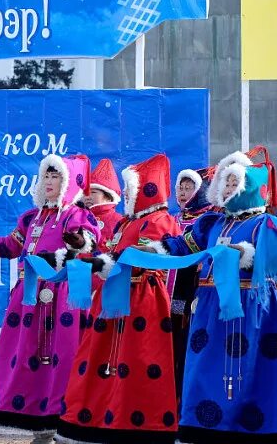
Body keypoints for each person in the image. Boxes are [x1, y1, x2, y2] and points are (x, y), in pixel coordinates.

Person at [0, 154, 100, 444]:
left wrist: (79, 243)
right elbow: (9, 245)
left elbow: (89, 242)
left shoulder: (76, 215)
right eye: (46, 176)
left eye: (55, 176)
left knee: (61, 359)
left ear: (67, 183)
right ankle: (41, 427)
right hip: (28, 298)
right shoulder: (31, 217)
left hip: (61, 298)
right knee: (27, 360)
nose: (49, 182)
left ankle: (63, 425)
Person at [56, 154, 181, 444]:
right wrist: (77, 256)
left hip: (142, 300)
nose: (126, 194)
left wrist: (98, 262)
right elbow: (108, 253)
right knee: (101, 358)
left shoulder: (161, 220)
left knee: (137, 360)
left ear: (146, 190)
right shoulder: (125, 224)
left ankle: (137, 425)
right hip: (112, 297)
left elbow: (139, 259)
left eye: (130, 189)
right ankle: (95, 422)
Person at [159, 155, 277, 443]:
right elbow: (183, 245)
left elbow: (270, 262)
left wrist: (244, 254)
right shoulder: (212, 223)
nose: (228, 189)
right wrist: (156, 249)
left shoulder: (266, 224)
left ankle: (243, 428)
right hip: (209, 307)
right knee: (202, 367)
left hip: (248, 309)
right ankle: (201, 429)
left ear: (250, 188)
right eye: (226, 183)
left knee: (245, 370)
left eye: (235, 183)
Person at [166, 167, 215, 404]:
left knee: (188, 342)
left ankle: (185, 398)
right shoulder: (171, 219)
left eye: (189, 188)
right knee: (170, 341)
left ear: (200, 191)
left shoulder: (206, 221)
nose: (183, 193)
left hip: (193, 291)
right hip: (168, 290)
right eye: (180, 188)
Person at [86, 159, 123, 253]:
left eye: (93, 192)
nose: (88, 196)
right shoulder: (77, 217)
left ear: (108, 197)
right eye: (85, 193)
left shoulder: (119, 221)